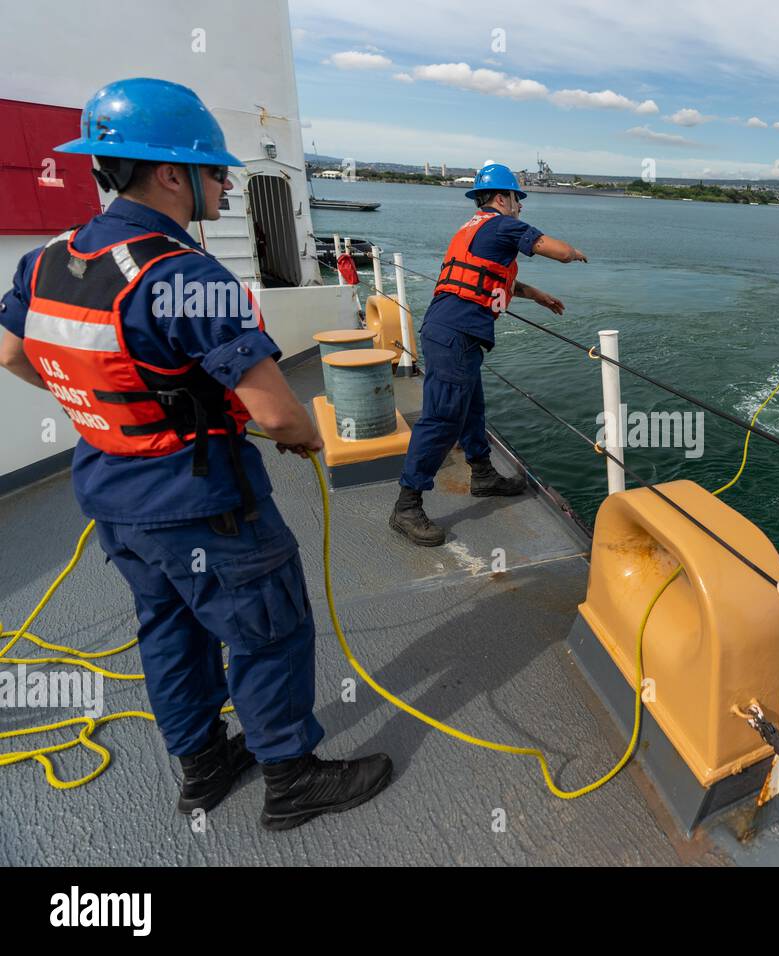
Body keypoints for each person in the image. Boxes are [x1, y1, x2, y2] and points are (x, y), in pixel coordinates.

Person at [0, 78, 391, 830]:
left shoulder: (48, 259)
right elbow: (277, 413)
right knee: (268, 629)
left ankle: (204, 766)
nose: (225, 183)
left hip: (112, 491)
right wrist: (306, 435)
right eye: (216, 171)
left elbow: (15, 352)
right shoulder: (184, 275)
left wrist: (106, 408)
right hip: (202, 501)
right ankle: (291, 776)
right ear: (171, 174)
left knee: (169, 629)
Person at [390, 164, 588, 546]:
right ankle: (407, 504)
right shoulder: (502, 225)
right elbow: (554, 249)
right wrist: (574, 253)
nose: (520, 208)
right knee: (441, 419)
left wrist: (540, 297)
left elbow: (497, 278)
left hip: (454, 333)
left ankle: (483, 475)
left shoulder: (475, 229)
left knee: (472, 408)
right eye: (518, 199)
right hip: (454, 334)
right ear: (502, 198)